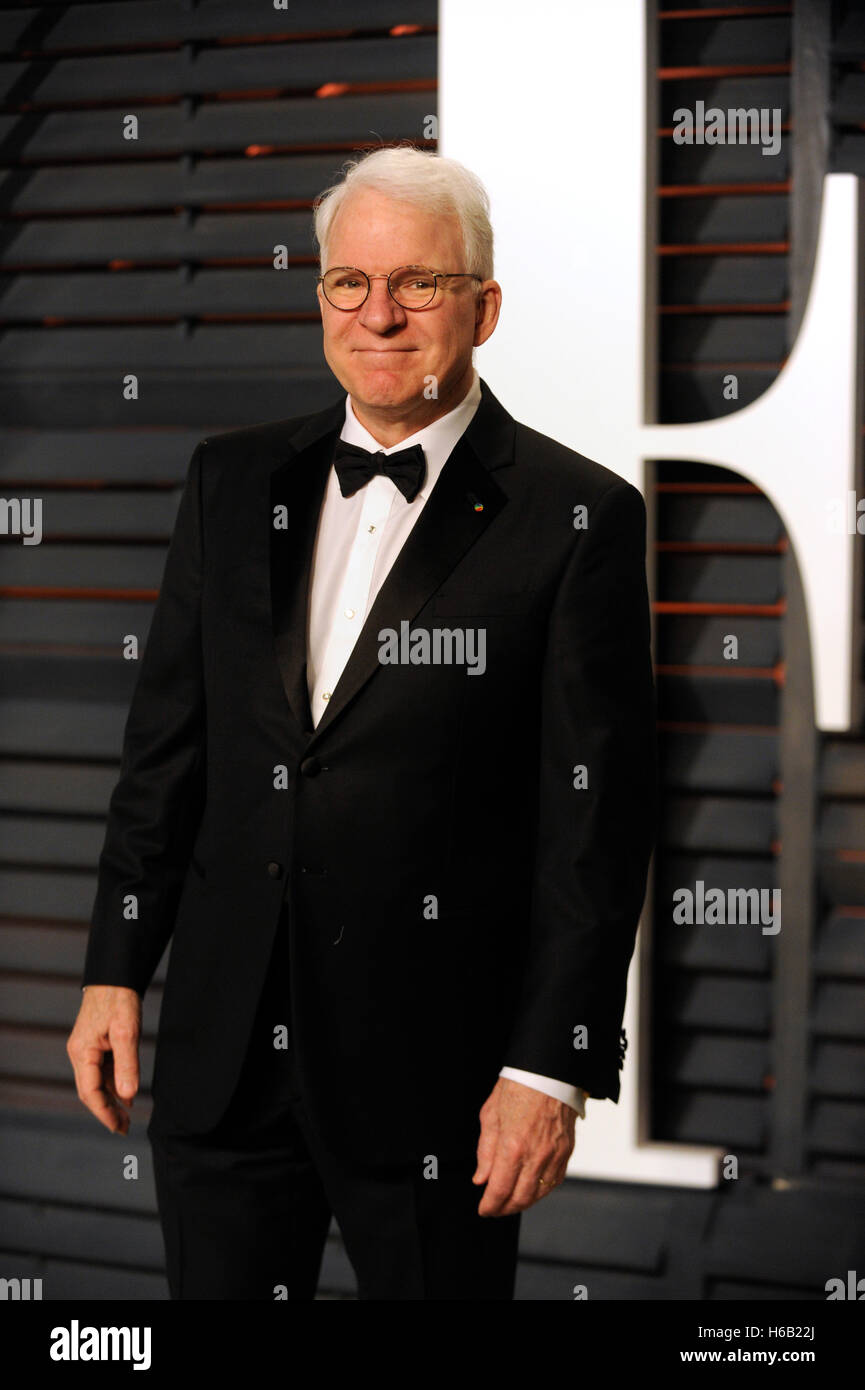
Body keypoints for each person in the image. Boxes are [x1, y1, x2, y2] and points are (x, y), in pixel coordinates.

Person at [66, 145, 657, 1300]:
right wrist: (114, 969)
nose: (377, 314)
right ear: (321, 296)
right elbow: (165, 754)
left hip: (443, 1083)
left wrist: (552, 1064)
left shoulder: (578, 516)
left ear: (482, 307)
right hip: (223, 1059)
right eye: (349, 283)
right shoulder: (229, 481)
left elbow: (597, 820)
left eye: (418, 285)